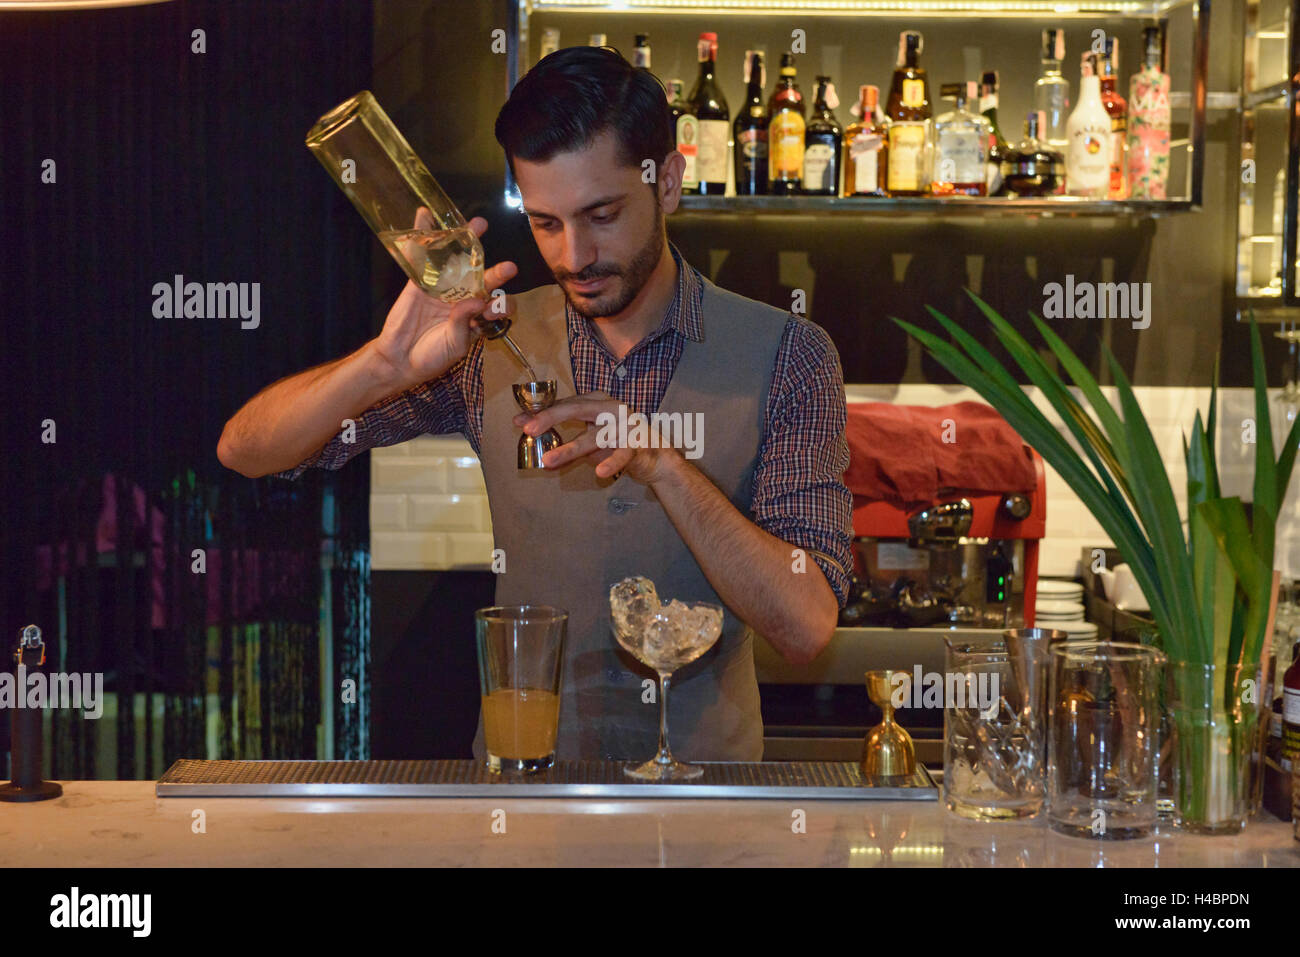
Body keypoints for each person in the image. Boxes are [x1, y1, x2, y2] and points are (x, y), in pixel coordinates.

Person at [217, 46, 852, 762]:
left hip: (708, 804)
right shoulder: (486, 341)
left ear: (667, 181)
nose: (574, 254)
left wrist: (666, 467)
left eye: (602, 214)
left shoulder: (788, 356)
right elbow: (247, 450)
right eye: (547, 222)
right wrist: (383, 364)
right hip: (523, 795)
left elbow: (806, 627)